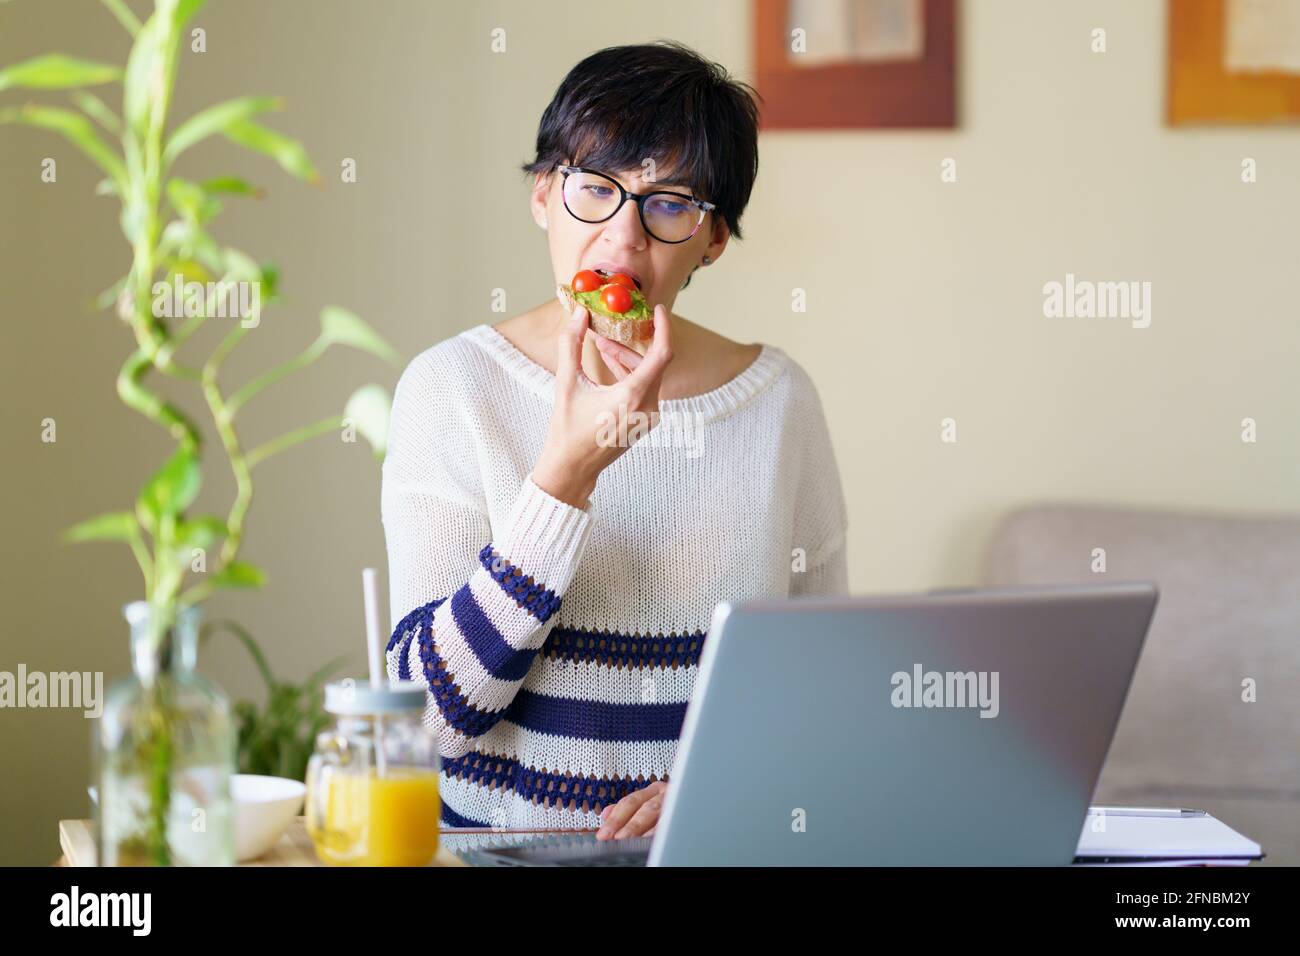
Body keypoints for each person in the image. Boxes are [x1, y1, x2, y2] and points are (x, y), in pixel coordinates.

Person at [383, 40, 848, 840]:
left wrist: (727, 781)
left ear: (715, 240)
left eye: (670, 204)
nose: (622, 240)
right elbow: (422, 729)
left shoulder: (780, 405)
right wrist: (563, 479)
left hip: (720, 849)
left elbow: (822, 690)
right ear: (542, 196)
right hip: (501, 856)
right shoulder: (451, 388)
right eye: (595, 189)